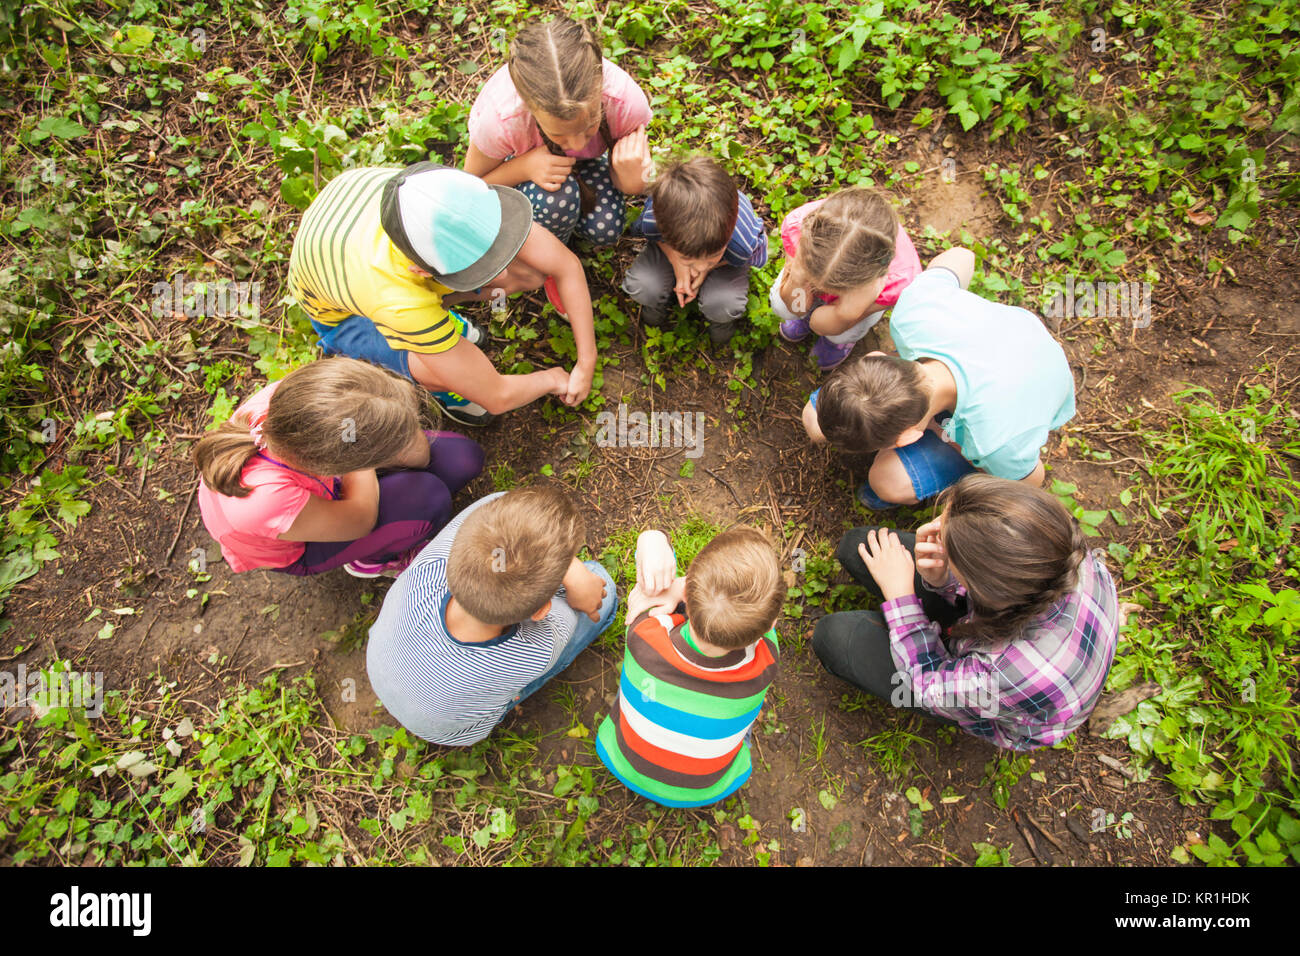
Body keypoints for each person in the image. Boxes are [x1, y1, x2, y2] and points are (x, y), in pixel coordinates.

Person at [812, 474, 1120, 751]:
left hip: (998, 693)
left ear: (984, 589)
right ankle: (938, 613)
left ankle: (928, 632)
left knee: (834, 637)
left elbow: (927, 685)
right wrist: (942, 580)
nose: (936, 536)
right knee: (858, 546)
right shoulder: (1054, 541)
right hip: (1011, 634)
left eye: (950, 548)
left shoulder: (1004, 675)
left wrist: (901, 597)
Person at [286, 161, 598, 427]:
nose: (495, 269)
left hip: (347, 224)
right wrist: (553, 378)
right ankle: (444, 383)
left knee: (523, 272)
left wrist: (587, 360)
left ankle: (441, 323)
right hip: (347, 317)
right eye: (473, 265)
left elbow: (564, 265)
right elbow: (496, 395)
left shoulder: (436, 196)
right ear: (422, 272)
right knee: (436, 368)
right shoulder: (397, 302)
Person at [803, 246, 1075, 508]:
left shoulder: (995, 443)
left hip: (1015, 399)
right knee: (816, 421)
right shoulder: (914, 314)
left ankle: (921, 471)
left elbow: (1030, 481)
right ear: (876, 358)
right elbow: (962, 256)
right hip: (1005, 346)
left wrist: (946, 433)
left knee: (886, 481)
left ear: (909, 436)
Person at [366, 485, 617, 746]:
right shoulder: (536, 651)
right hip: (447, 730)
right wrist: (576, 575)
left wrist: (558, 566)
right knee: (603, 588)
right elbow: (581, 603)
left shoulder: (437, 558)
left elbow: (498, 501)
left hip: (383, 666)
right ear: (542, 611)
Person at [194, 358, 483, 578]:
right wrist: (371, 457)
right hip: (301, 540)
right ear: (339, 465)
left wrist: (379, 448)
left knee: (463, 460)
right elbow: (360, 520)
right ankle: (371, 559)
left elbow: (416, 454)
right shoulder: (266, 502)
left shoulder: (307, 397)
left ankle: (391, 503)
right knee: (429, 498)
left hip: (324, 468)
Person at [596, 526, 781, 807]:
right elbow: (761, 620)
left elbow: (649, 587)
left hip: (624, 762)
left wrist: (653, 539)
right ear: (770, 625)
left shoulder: (643, 633)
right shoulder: (768, 659)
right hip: (705, 789)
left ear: (687, 599)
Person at [464, 16, 653, 246]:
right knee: (555, 198)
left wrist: (630, 181)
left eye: (589, 126)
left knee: (606, 228)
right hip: (523, 170)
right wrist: (523, 167)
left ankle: (564, 228)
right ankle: (551, 251)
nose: (577, 144)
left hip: (582, 167)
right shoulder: (503, 119)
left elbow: (630, 177)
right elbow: (472, 187)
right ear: (527, 106)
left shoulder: (624, 103)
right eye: (559, 135)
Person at [622, 156, 768, 346]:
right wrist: (677, 261)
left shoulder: (742, 244)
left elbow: (756, 257)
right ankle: (655, 310)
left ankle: (720, 328)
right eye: (690, 259)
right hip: (674, 250)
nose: (698, 267)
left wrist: (706, 267)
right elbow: (651, 236)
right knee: (644, 285)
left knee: (723, 303)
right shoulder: (655, 219)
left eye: (710, 257)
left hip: (726, 261)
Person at [772, 187, 922, 370]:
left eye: (829, 288)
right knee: (786, 306)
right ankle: (805, 315)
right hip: (830, 288)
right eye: (816, 282)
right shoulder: (800, 228)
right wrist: (796, 277)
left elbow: (822, 325)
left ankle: (835, 342)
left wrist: (847, 313)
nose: (821, 290)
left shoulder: (898, 282)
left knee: (838, 333)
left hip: (857, 304)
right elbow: (794, 303)